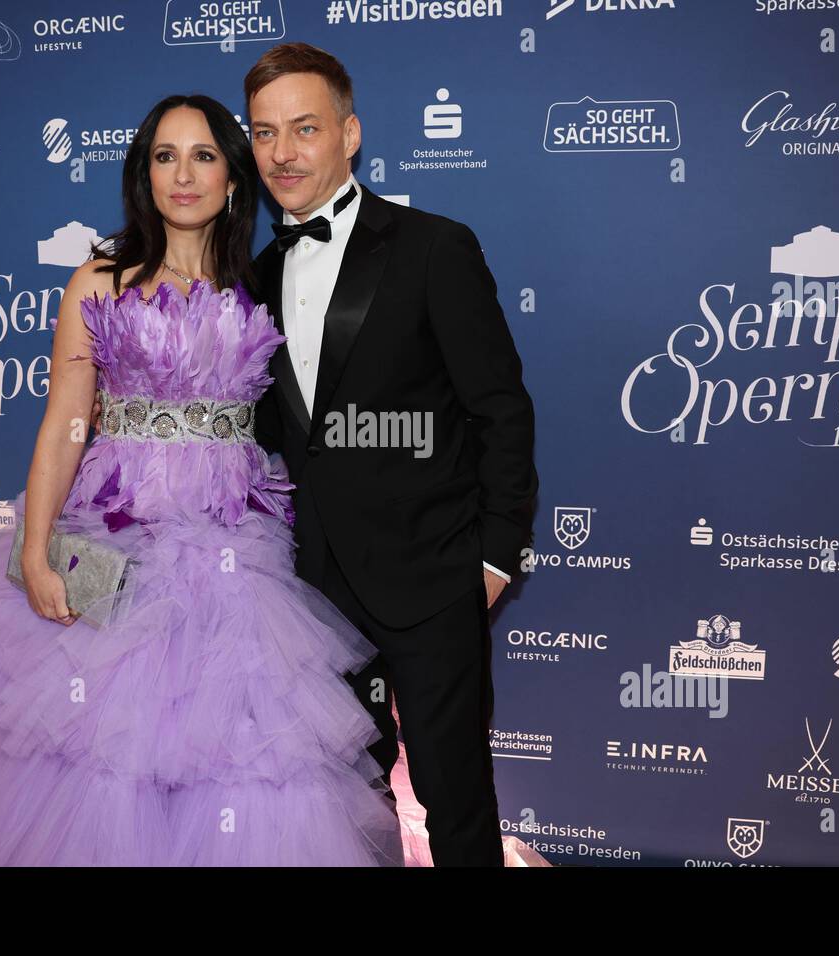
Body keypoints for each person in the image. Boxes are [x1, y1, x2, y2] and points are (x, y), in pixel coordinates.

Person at [0, 93, 405, 867]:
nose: (184, 174)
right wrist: (37, 548)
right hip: (118, 536)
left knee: (240, 756)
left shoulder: (267, 282)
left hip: (234, 548)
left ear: (234, 178)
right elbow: (65, 420)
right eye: (165, 156)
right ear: (143, 175)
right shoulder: (100, 280)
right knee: (101, 754)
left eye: (205, 155)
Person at [244, 43, 539, 867]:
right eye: (265, 133)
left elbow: (500, 411)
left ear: (350, 133)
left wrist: (494, 557)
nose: (283, 153)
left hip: (434, 572)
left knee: (455, 798)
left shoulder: (434, 247)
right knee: (338, 802)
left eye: (304, 128)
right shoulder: (256, 275)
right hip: (310, 590)